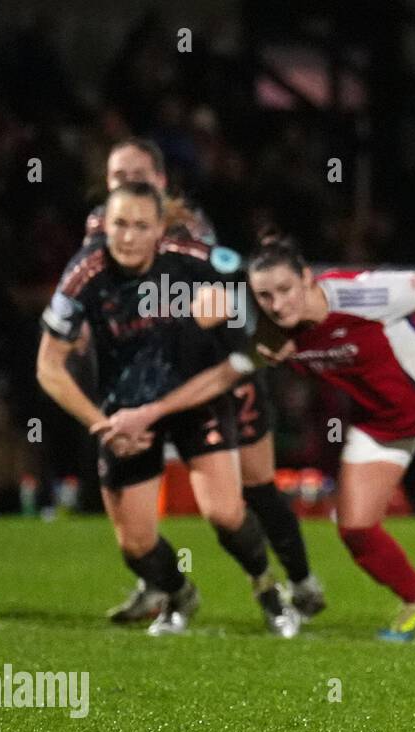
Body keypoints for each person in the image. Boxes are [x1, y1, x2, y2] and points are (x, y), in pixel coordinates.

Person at [103, 234, 415, 641]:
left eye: (284, 290)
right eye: (265, 296)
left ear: (306, 278)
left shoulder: (363, 293)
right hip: (383, 423)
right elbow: (222, 377)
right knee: (356, 527)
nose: (277, 304)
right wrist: (152, 412)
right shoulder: (274, 334)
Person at [35, 181, 301, 637]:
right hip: (125, 414)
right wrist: (102, 425)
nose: (129, 236)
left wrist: (243, 313)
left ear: (161, 229)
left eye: (142, 225)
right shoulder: (84, 273)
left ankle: (268, 590)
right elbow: (48, 367)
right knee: (136, 544)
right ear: (105, 228)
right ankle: (178, 593)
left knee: (225, 513)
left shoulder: (195, 261)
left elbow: (260, 307)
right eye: (119, 224)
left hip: (196, 397)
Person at [86, 138, 324, 624]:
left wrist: (258, 326)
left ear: (160, 181)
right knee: (136, 521)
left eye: (136, 176)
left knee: (254, 487)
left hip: (213, 375)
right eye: (116, 177)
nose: (125, 186)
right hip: (146, 387)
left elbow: (234, 285)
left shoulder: (189, 230)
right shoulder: (100, 229)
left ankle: (299, 580)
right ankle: (159, 586)